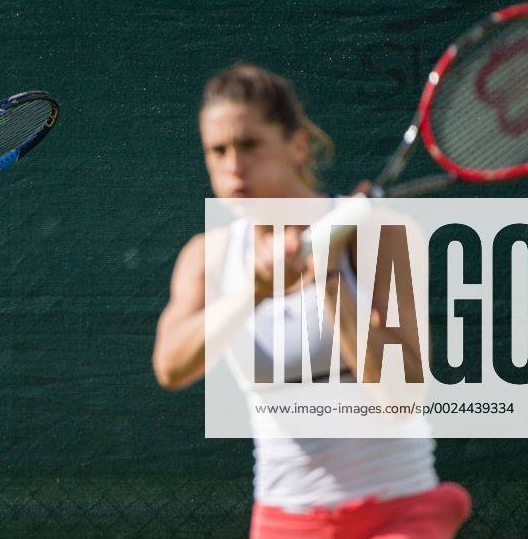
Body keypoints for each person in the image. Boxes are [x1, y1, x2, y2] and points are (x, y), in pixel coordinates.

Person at [152, 63, 471, 538]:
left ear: (298, 144)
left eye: (250, 144)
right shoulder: (208, 256)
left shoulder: (380, 236)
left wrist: (328, 280)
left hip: (399, 514)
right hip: (284, 521)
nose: (233, 166)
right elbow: (171, 368)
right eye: (217, 150)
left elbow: (401, 396)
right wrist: (251, 293)